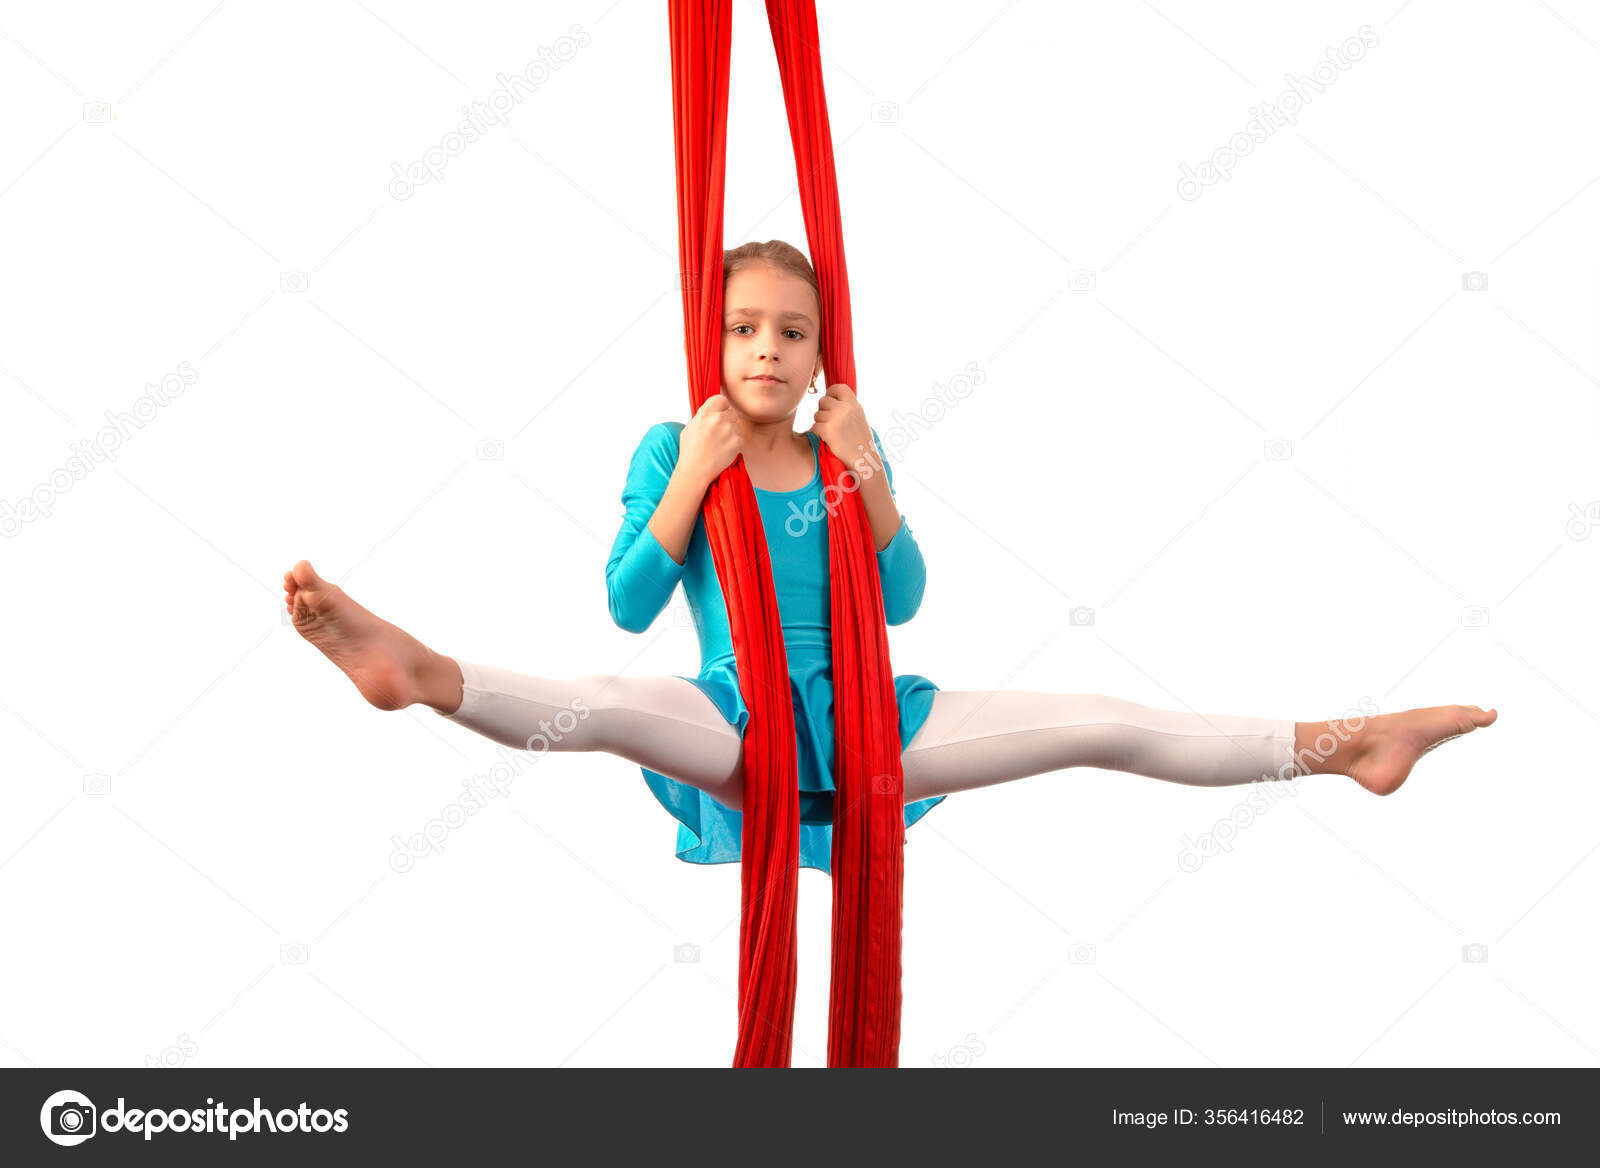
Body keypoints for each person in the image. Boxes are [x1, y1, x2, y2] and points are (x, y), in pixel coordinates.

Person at [284, 240, 1498, 876]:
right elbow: (625, 604)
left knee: (1099, 721)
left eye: (791, 332)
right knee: (601, 708)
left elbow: (902, 599)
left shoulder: (834, 451)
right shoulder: (676, 445)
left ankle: (1347, 746)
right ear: (711, 342)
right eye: (743, 327)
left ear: (819, 354)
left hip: (869, 722)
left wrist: (862, 466)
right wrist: (695, 477)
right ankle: (421, 674)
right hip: (735, 716)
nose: (767, 348)